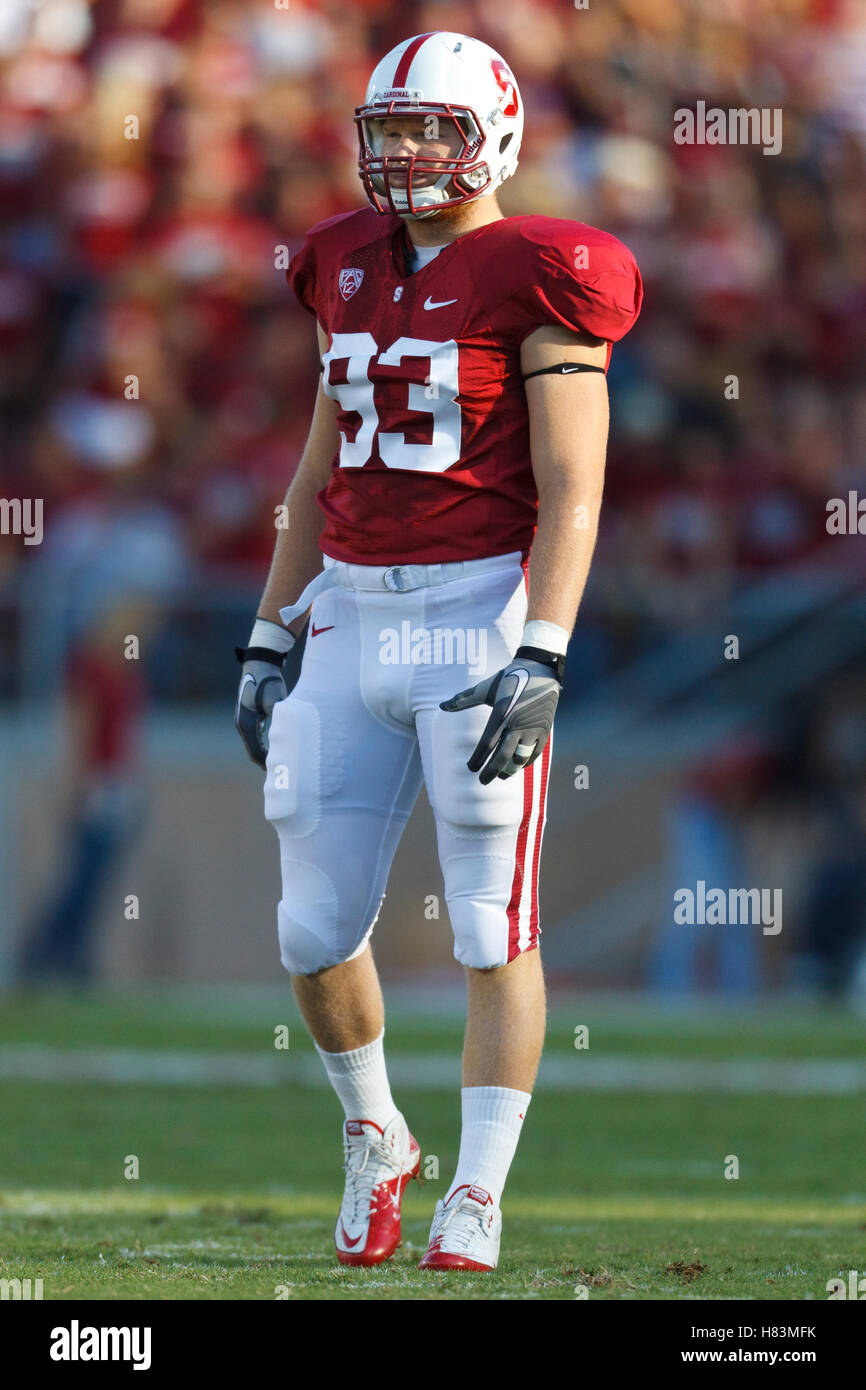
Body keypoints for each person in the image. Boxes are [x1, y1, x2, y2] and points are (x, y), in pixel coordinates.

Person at [235, 31, 642, 1272]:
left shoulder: (544, 267)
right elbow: (316, 473)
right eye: (389, 128)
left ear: (498, 134)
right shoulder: (338, 260)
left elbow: (574, 485)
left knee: (487, 921)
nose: (406, 153)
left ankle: (477, 1191)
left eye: (433, 129)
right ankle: (375, 1132)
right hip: (347, 611)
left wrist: (544, 646)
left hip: (477, 610)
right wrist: (266, 627)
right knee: (311, 930)